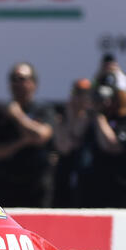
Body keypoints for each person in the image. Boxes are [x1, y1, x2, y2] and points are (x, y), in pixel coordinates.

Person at [0, 61, 55, 207]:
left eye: (23, 79)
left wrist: (18, 116)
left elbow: (41, 136)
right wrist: (21, 142)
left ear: (34, 83)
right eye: (14, 79)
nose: (18, 84)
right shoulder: (1, 112)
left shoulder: (44, 109)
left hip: (37, 189)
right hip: (5, 189)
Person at [78, 72, 126, 208]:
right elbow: (72, 139)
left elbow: (113, 146)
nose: (105, 102)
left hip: (122, 192)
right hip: (95, 191)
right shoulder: (90, 118)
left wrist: (100, 118)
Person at [51, 78, 94, 207]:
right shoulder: (62, 119)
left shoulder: (93, 118)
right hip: (66, 172)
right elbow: (64, 147)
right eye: (79, 94)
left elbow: (78, 134)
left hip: (86, 175)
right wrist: (70, 115)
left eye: (86, 95)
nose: (82, 99)